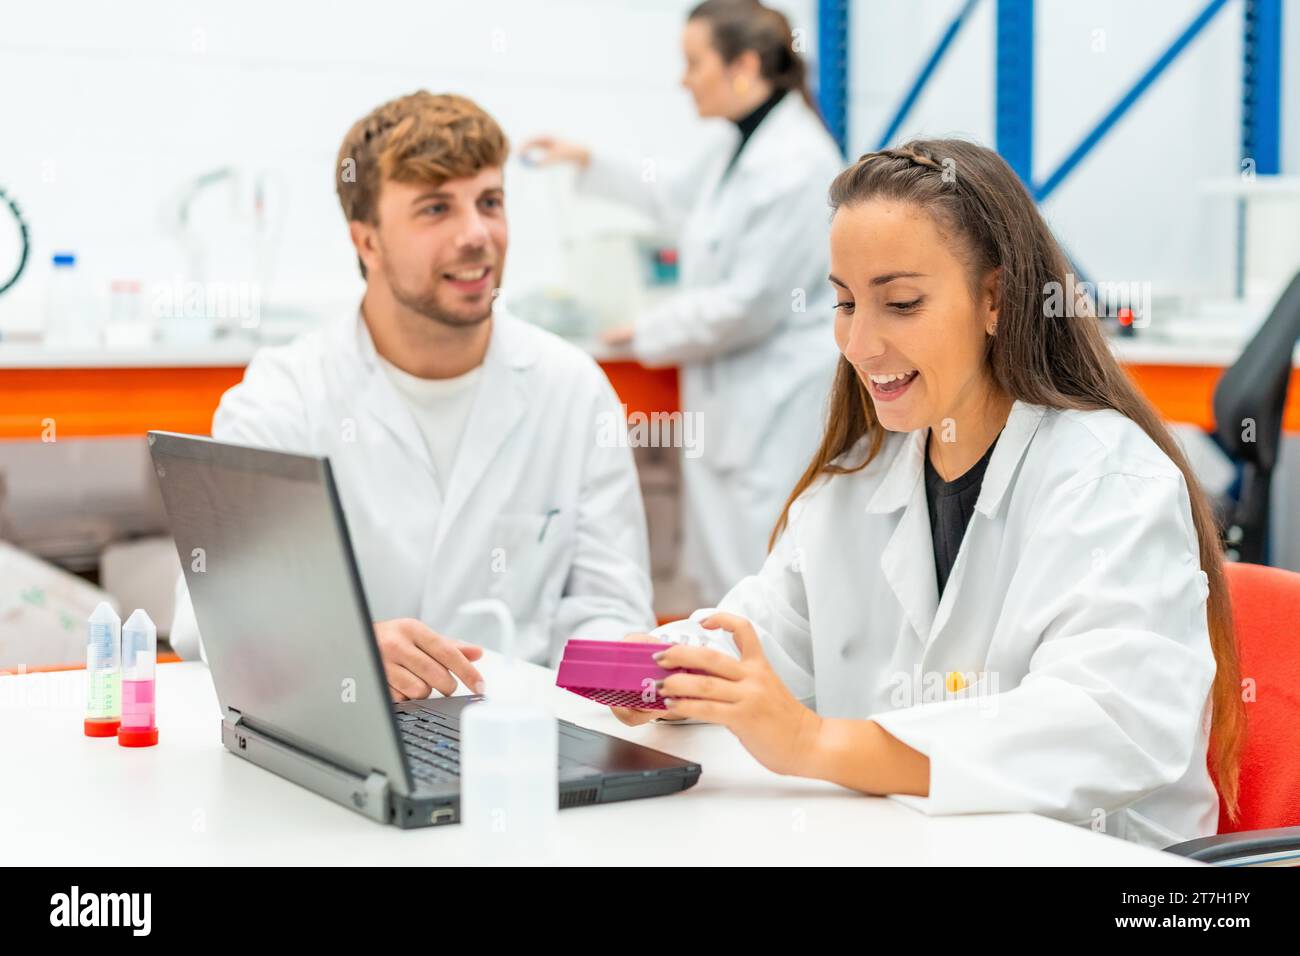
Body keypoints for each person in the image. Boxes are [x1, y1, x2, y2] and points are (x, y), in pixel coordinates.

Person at [612, 139, 1245, 849]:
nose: (859, 343)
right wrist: (653, 671)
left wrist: (817, 742)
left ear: (996, 300)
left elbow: (1108, 723)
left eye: (901, 303)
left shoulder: (1108, 483)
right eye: (846, 302)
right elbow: (763, 635)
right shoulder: (856, 482)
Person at [170, 91, 655, 698]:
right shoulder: (284, 397)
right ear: (367, 242)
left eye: (489, 202)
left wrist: (617, 683)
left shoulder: (573, 389)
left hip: (525, 740)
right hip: (350, 730)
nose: (476, 234)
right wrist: (344, 647)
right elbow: (206, 616)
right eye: (435, 209)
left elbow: (612, 610)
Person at [522, 0, 843, 604]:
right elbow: (676, 198)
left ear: (742, 65)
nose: (684, 79)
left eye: (694, 63)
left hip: (775, 403)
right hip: (735, 401)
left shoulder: (797, 165)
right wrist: (588, 160)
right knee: (731, 579)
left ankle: (765, 696)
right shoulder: (737, 147)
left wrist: (644, 330)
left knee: (766, 583)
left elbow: (751, 305)